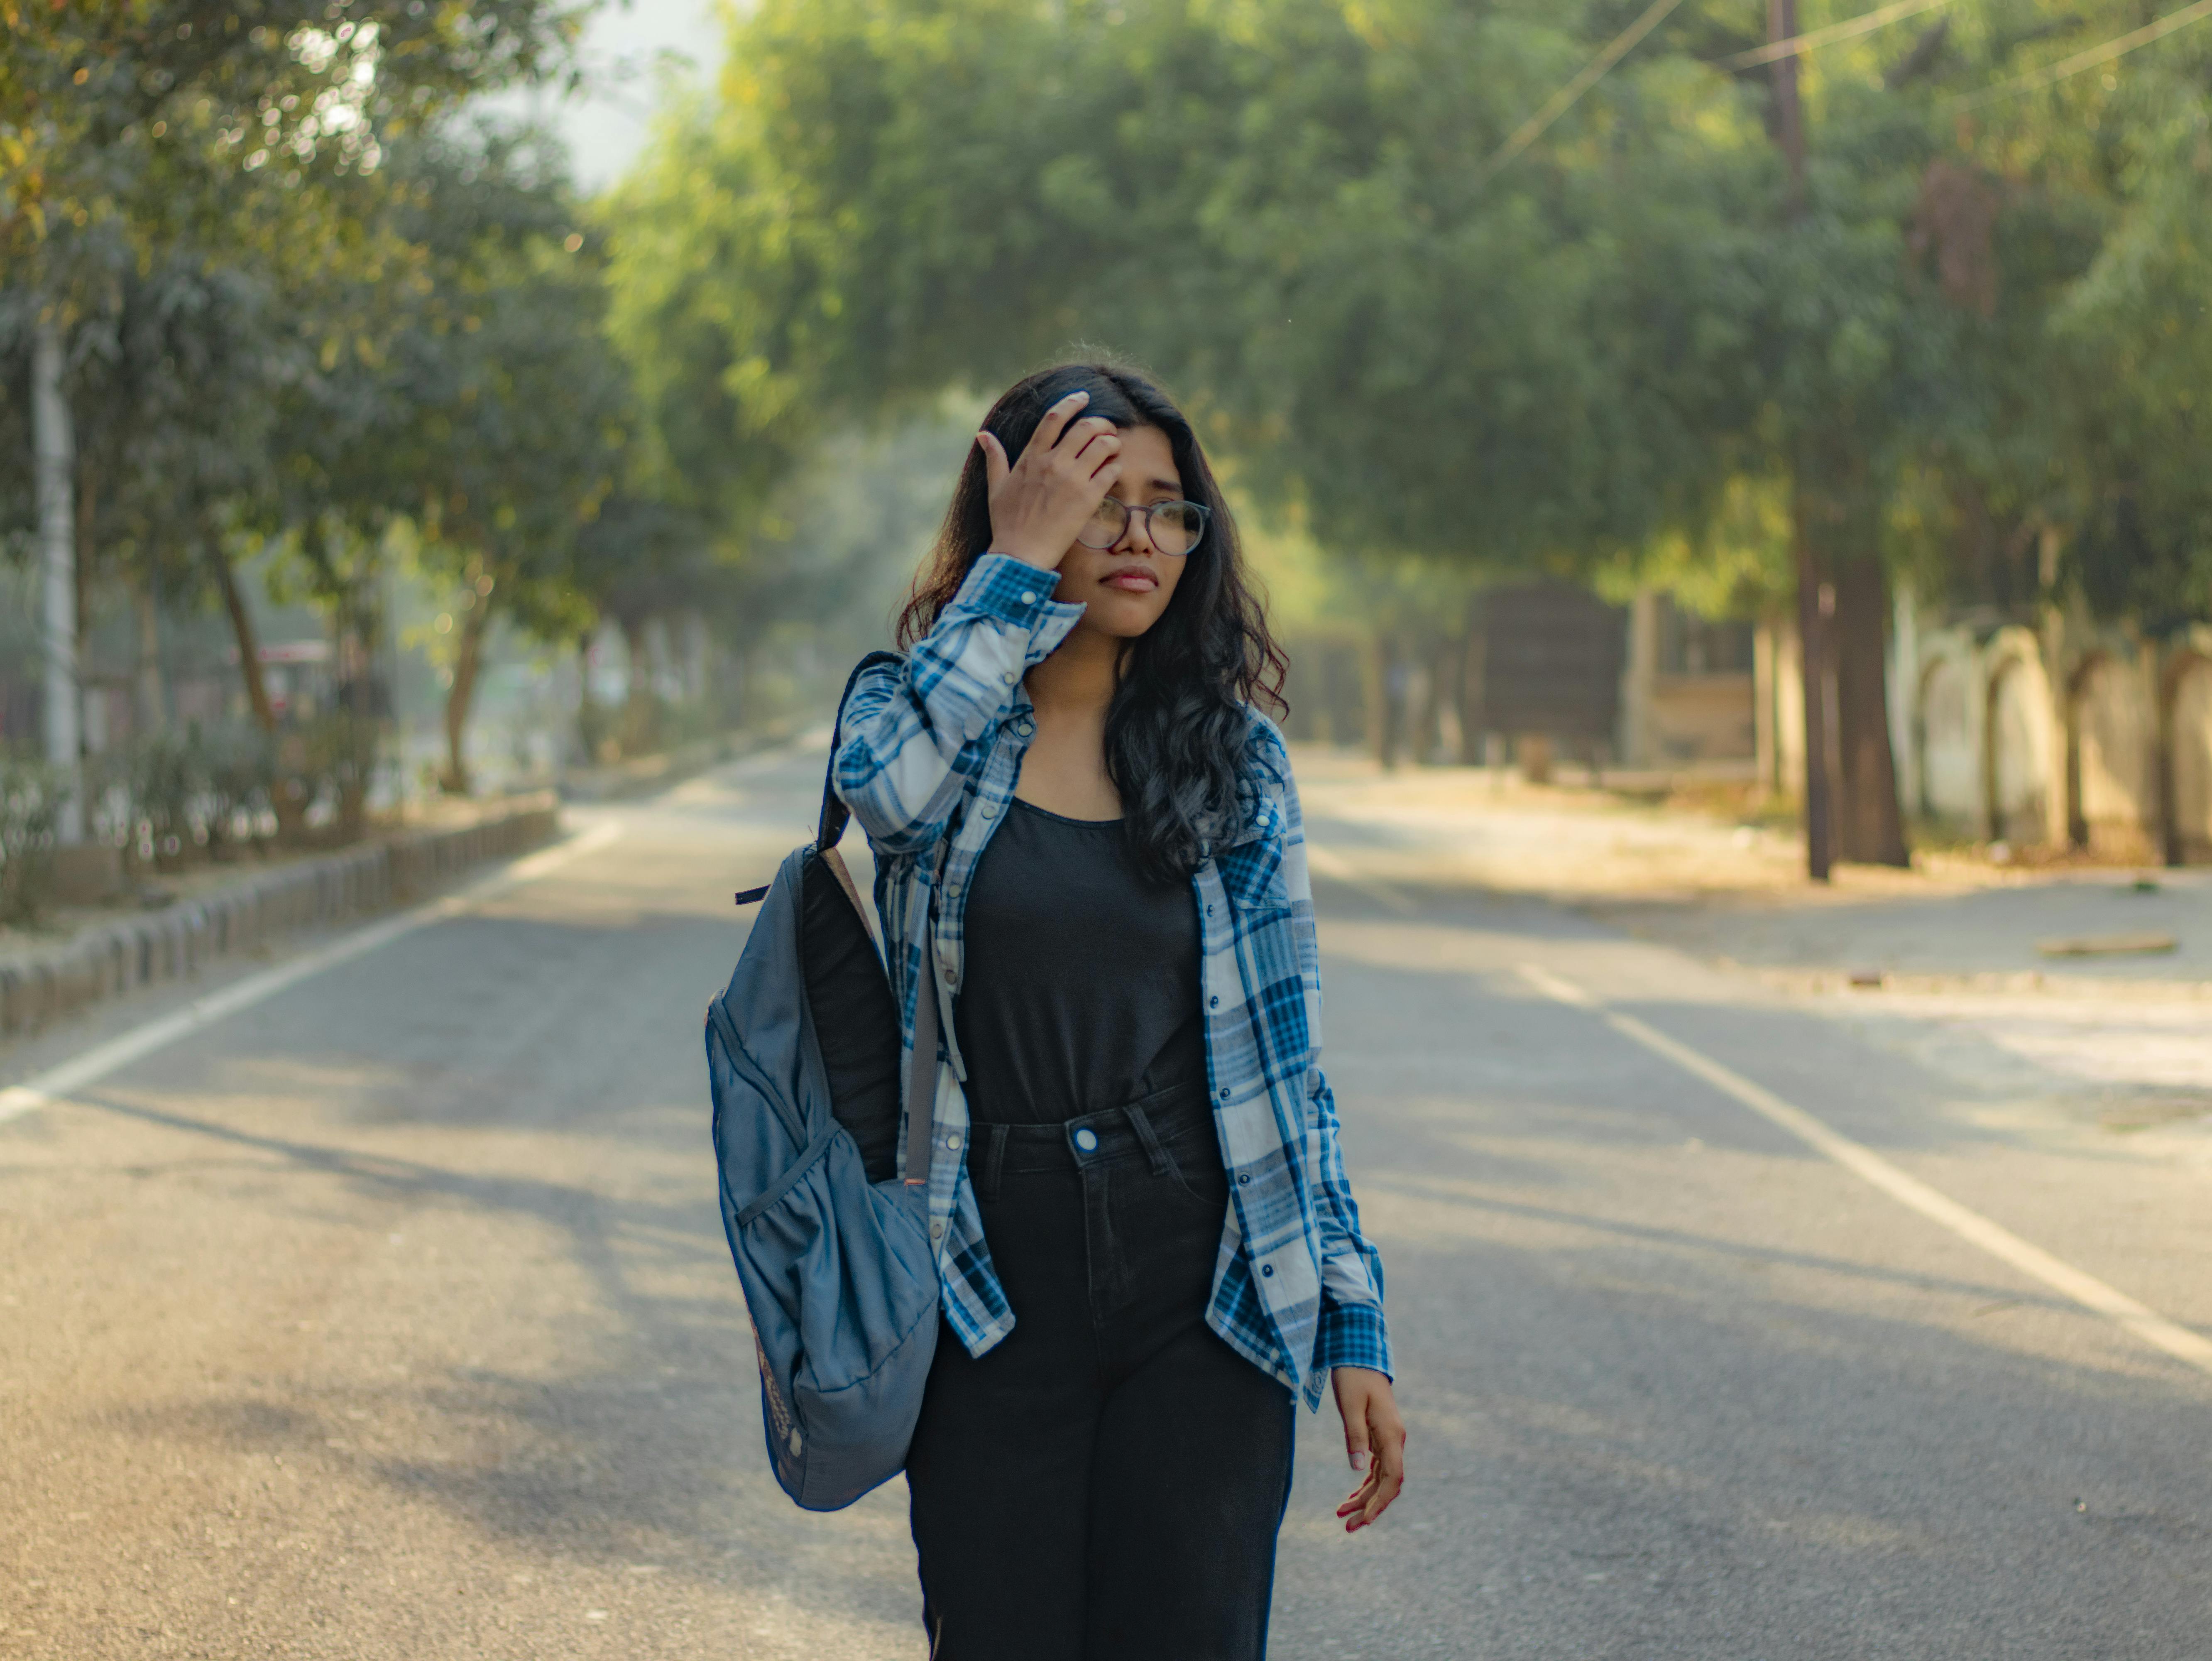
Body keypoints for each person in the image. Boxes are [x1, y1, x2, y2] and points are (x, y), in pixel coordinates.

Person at [832, 362, 1406, 1661]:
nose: (1143, 536)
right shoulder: (929, 717)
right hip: (985, 1283)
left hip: (1204, 1282)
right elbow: (883, 798)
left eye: (1170, 507)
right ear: (1025, 510)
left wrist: (1353, 1320)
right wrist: (1018, 572)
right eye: (1103, 501)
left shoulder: (1238, 758)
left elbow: (1290, 1066)